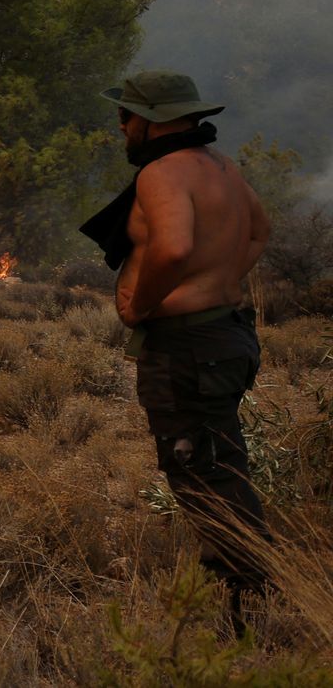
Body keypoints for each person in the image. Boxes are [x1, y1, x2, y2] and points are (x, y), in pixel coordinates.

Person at [79, 70, 273, 620]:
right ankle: (251, 590)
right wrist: (222, 283)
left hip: (190, 345)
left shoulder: (162, 173)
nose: (120, 126)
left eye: (126, 116)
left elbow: (174, 246)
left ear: (154, 120)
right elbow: (260, 230)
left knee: (201, 472)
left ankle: (249, 605)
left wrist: (141, 304)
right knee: (219, 461)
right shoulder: (223, 168)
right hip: (227, 334)